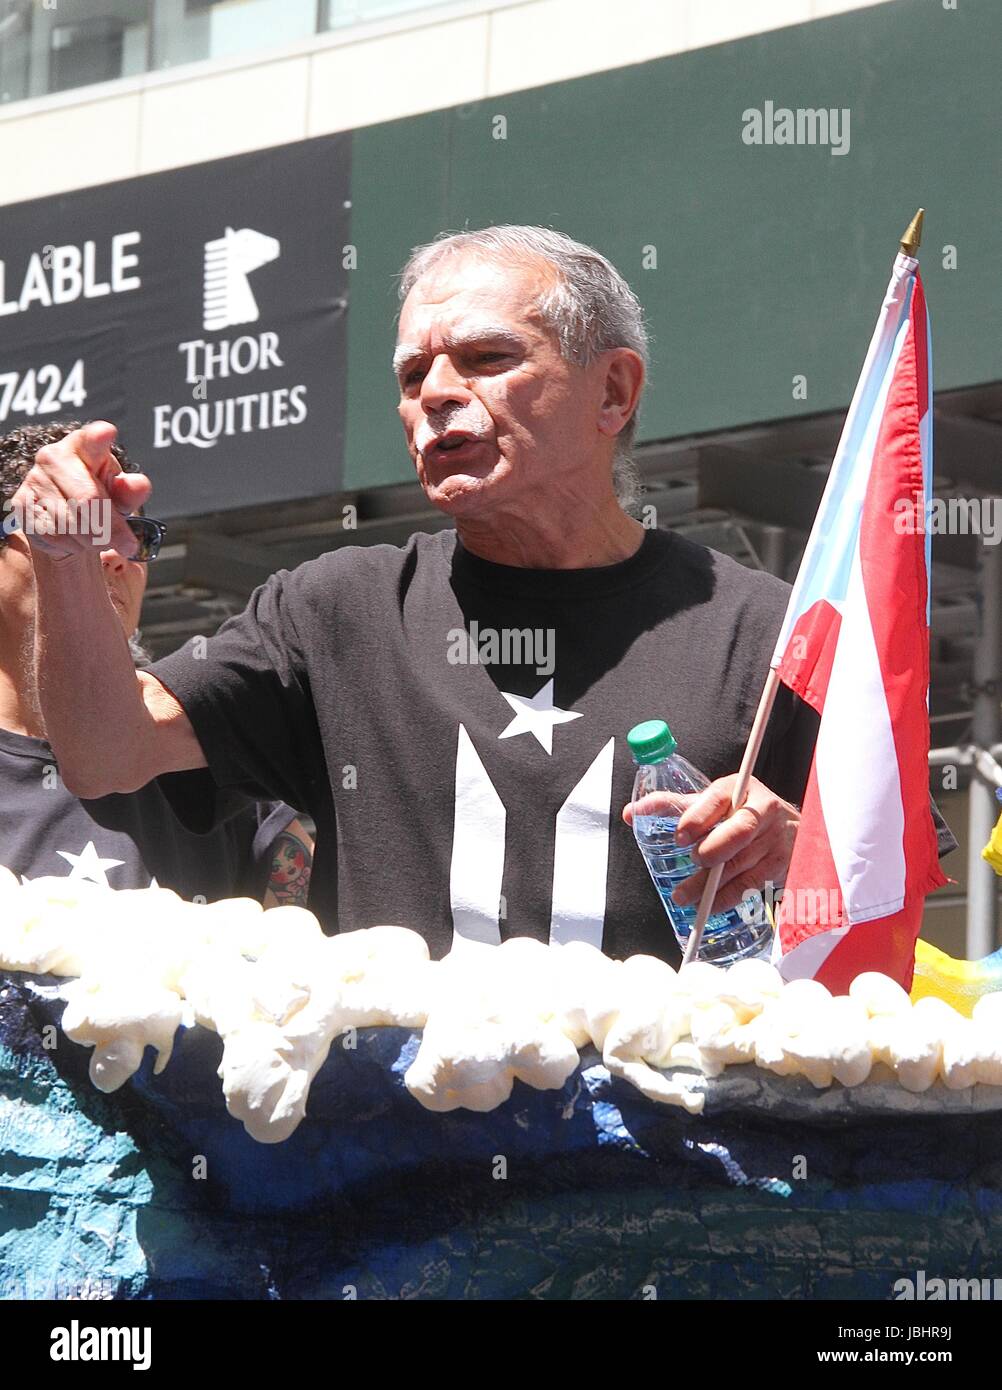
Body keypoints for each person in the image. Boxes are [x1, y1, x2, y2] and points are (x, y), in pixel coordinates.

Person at [11, 228, 955, 965]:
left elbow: (898, 873)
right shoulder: (333, 611)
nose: (438, 394)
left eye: (486, 358)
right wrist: (61, 557)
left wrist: (803, 851)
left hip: (673, 1184)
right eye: (413, 375)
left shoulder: (765, 630)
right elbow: (103, 752)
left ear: (613, 391)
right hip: (395, 1181)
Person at [0, 422, 313, 905]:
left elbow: (320, 958)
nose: (113, 554)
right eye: (64, 522)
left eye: (134, 533)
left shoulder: (204, 753)